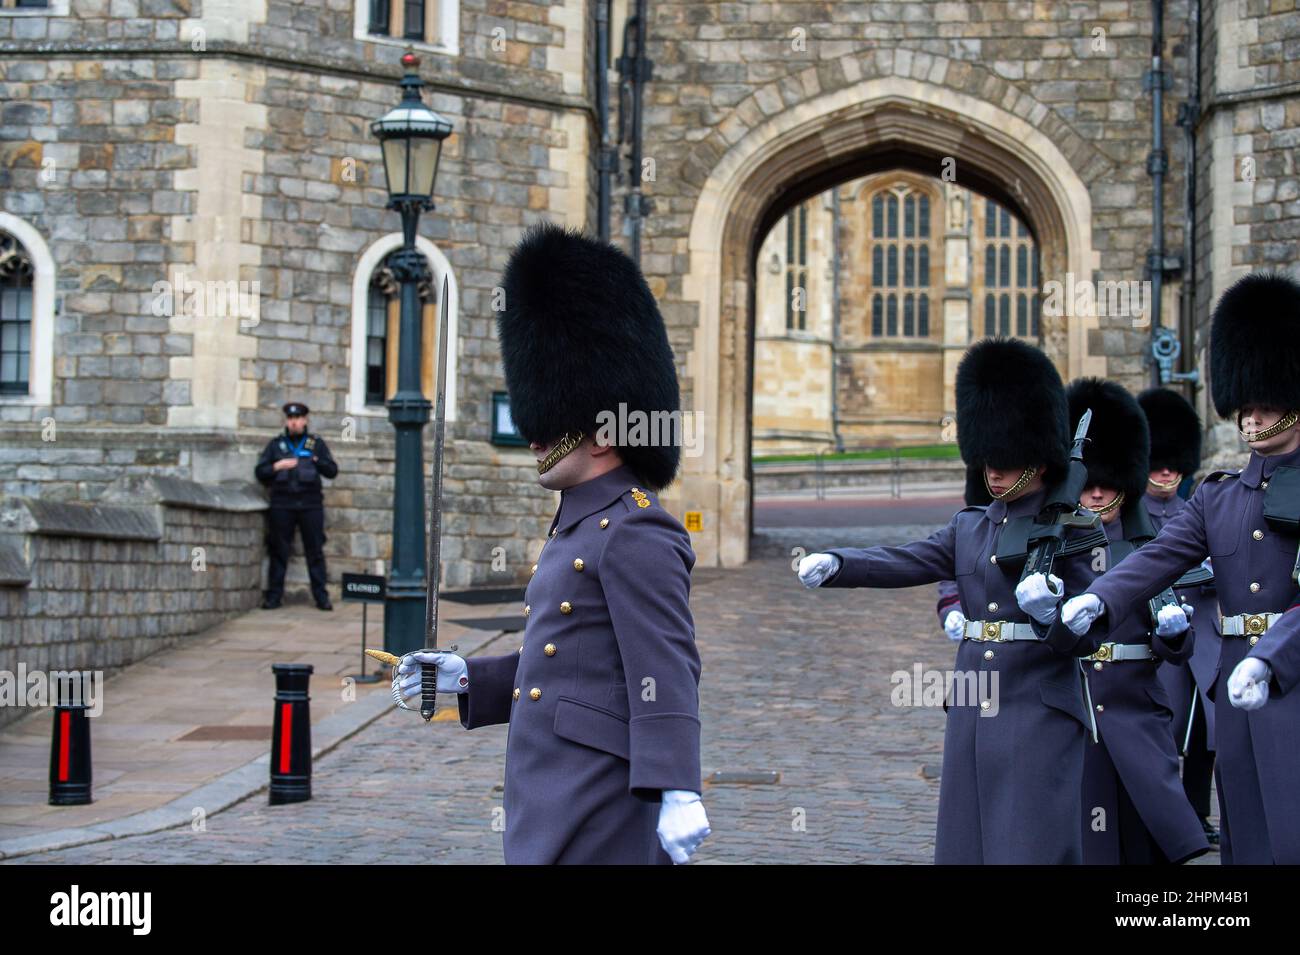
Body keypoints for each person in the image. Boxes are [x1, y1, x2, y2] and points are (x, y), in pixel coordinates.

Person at [395, 224, 709, 865]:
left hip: (600, 797)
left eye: (552, 423)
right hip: (551, 788)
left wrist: (678, 785)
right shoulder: (576, 523)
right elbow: (564, 664)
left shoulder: (636, 527)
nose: (535, 437)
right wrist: (466, 679)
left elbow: (667, 667)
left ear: (601, 432)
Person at [798, 337, 1102, 863]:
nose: (994, 469)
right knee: (969, 841)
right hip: (972, 702)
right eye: (989, 456)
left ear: (1038, 456)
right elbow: (907, 560)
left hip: (1039, 705)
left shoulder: (1077, 529)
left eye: (1006, 457)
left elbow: (1096, 627)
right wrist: (840, 564)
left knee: (1031, 842)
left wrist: (1056, 614)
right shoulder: (971, 526)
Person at [1062, 272, 1300, 864]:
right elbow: (1159, 559)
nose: (1250, 418)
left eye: (1265, 405)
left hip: (1293, 683)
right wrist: (1102, 598)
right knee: (1244, 835)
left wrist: (1270, 659)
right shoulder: (1219, 497)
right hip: (1234, 687)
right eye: (1245, 405)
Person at [1060, 377, 1208, 865]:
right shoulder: (1053, 546)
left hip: (1134, 705)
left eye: (1108, 486)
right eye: (1089, 485)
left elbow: (1175, 649)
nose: (1097, 495)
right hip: (1077, 708)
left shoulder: (1150, 546)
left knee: (1145, 838)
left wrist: (1175, 633)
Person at [1139, 386, 1221, 846]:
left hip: (1205, 634)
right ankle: (1166, 816)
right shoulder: (1132, 518)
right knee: (1166, 729)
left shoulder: (1199, 508)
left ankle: (1198, 812)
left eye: (1173, 463)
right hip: (1160, 639)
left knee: (1207, 730)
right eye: (1157, 462)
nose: (1167, 471)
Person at [254, 402, 338, 611]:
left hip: (310, 504)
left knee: (315, 551)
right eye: (290, 418)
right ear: (286, 421)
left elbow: (332, 470)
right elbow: (260, 471)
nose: (294, 422)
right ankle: (274, 597)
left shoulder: (315, 443)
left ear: (305, 420)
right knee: (279, 551)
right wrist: (277, 465)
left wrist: (317, 461)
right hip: (282, 503)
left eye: (298, 418)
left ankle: (321, 597)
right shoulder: (277, 445)